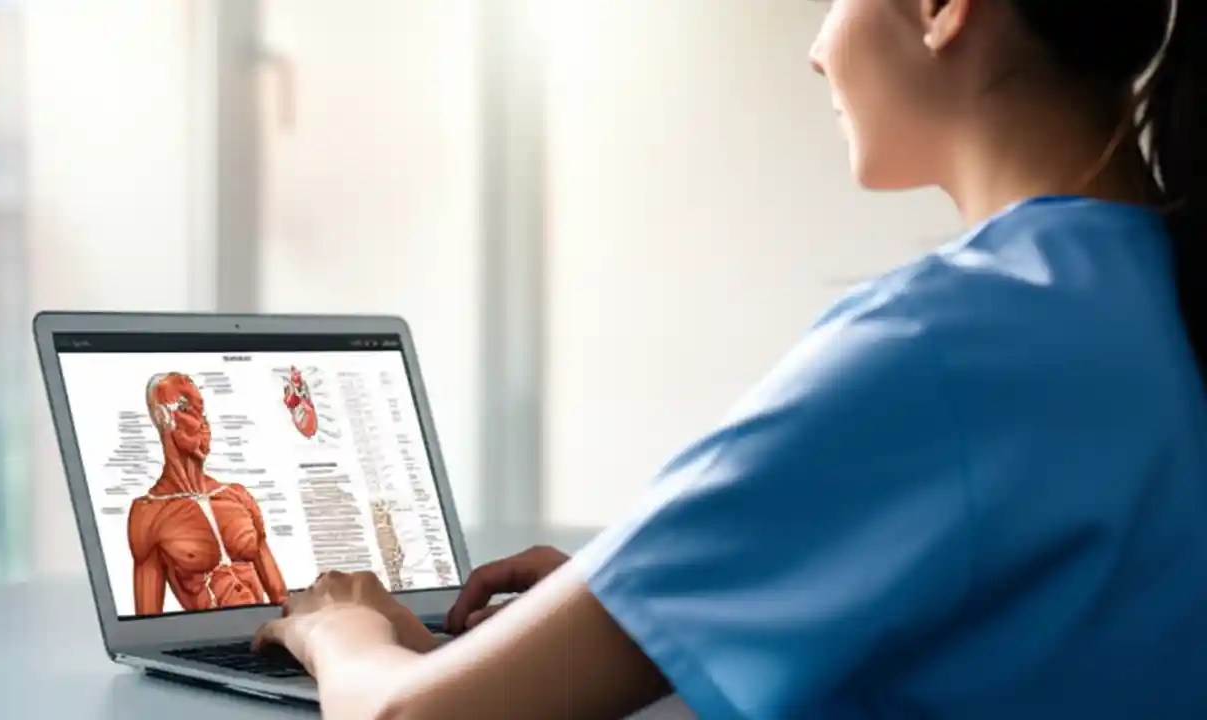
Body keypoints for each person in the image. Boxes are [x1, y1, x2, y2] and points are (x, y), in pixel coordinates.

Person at [253, 1, 1207, 717]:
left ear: (942, 8)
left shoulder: (942, 343)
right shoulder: (1150, 290)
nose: (817, 46)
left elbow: (407, 714)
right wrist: (655, 614)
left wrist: (341, 630)